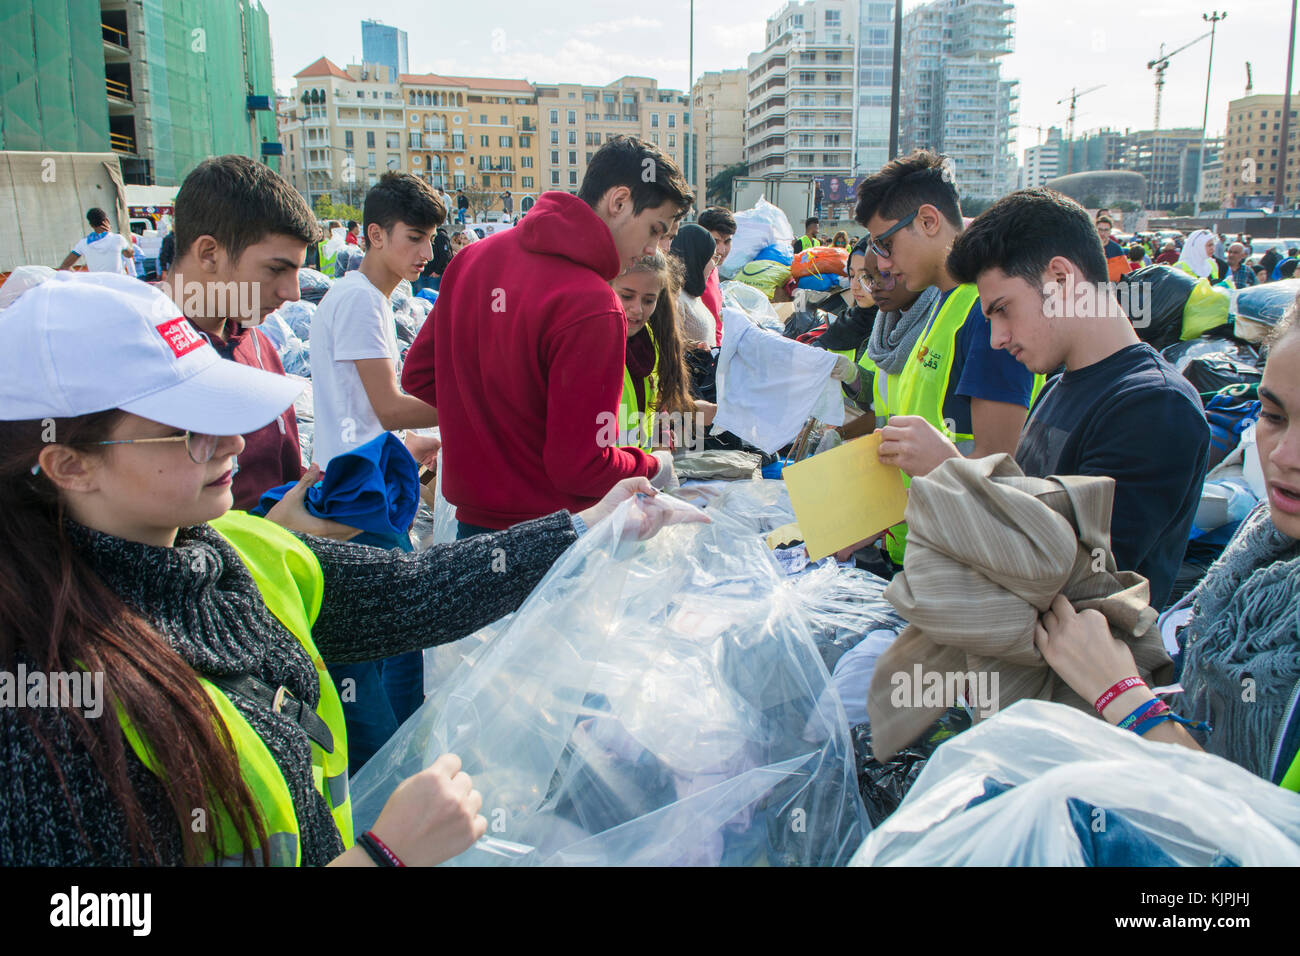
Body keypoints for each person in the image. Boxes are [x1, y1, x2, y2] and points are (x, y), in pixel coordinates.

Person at [0, 272, 703, 866]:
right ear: (68, 464)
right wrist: (381, 857)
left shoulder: (233, 550)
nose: (232, 441)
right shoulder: (45, 707)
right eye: (187, 430)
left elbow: (417, 594)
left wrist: (588, 526)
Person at [1035, 303, 1300, 790]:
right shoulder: (1267, 536)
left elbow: (1264, 838)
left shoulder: (1154, 405)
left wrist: (1123, 696)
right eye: (1274, 415)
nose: (1284, 456)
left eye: (1005, 311)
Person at [401, 135, 692, 538]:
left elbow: (419, 377)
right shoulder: (592, 303)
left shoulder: (473, 258)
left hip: (469, 537)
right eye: (655, 230)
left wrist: (487, 416)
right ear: (620, 201)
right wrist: (655, 466)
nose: (652, 249)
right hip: (546, 542)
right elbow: (581, 467)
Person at [936, 187, 1210, 610]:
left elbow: (1079, 581)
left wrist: (952, 474)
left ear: (1060, 279)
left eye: (1004, 309)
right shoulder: (1055, 386)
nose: (996, 338)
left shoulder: (1155, 406)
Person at [851, 149, 1038, 567]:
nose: (881, 263)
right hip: (922, 548)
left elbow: (998, 472)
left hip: (960, 563)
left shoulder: (988, 315)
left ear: (929, 221)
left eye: (885, 244)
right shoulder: (941, 306)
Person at [164, 155, 315, 513]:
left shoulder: (257, 343)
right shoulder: (148, 358)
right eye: (276, 269)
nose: (293, 293)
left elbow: (284, 475)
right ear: (209, 253)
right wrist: (273, 529)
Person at [309, 171, 442, 498]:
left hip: (362, 475)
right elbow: (389, 410)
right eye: (414, 238)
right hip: (356, 492)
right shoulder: (361, 300)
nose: (428, 253)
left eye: (431, 238)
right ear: (376, 235)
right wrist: (479, 405)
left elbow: (361, 411)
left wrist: (411, 444)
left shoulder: (364, 296)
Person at [610, 252, 699, 449]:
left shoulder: (653, 340)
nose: (637, 309)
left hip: (640, 472)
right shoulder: (594, 347)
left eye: (649, 300)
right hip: (605, 475)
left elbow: (657, 408)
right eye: (626, 296)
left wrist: (661, 454)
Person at [670, 224, 718, 349]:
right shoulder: (677, 298)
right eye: (711, 257)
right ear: (696, 256)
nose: (713, 265)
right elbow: (672, 346)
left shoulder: (694, 295)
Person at [696, 205, 736, 343]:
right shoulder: (694, 272)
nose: (721, 250)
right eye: (715, 241)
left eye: (727, 242)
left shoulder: (714, 269)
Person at [58, 208, 135, 275]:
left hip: (98, 286)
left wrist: (80, 279)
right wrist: (111, 233)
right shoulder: (118, 239)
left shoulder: (83, 243)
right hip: (118, 285)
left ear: (91, 225)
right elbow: (129, 254)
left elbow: (64, 267)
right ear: (107, 221)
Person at [1095, 216, 1132, 283]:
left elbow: (1125, 274)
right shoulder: (1088, 247)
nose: (1102, 233)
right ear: (1095, 230)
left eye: (1106, 230)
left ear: (1110, 231)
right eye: (1100, 229)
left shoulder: (1116, 249)